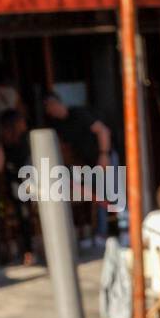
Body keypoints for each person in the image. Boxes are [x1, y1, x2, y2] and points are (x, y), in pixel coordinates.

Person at [44, 93, 113, 245]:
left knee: (111, 192)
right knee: (93, 194)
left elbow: (103, 131)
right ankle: (98, 233)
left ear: (56, 104)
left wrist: (104, 154)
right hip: (86, 164)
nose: (50, 111)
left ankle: (120, 229)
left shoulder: (79, 114)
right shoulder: (58, 126)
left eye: (50, 107)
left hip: (102, 155)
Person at [0, 109, 34, 264]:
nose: (24, 124)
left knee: (25, 209)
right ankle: (27, 251)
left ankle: (29, 250)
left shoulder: (27, 139)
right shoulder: (5, 143)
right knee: (22, 211)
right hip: (16, 184)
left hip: (30, 180)